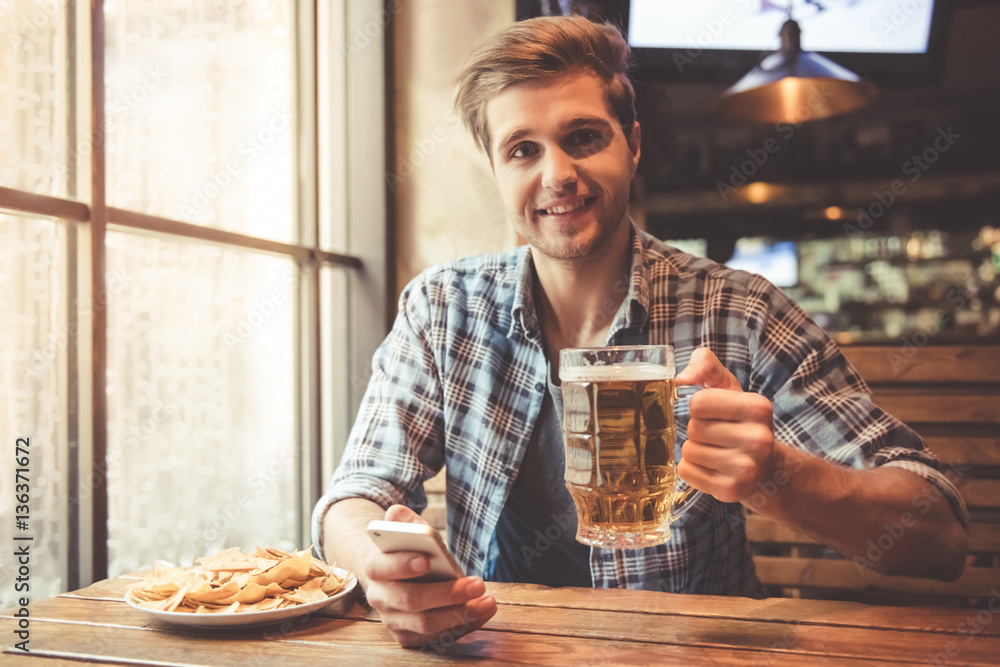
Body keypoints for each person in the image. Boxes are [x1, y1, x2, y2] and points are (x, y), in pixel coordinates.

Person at [312, 15, 968, 649]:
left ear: (632, 144)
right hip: (498, 647)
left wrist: (776, 475)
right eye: (523, 149)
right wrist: (380, 572)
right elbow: (354, 495)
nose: (556, 174)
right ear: (496, 169)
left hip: (690, 653)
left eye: (583, 137)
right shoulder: (443, 308)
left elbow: (938, 534)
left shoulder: (739, 311)